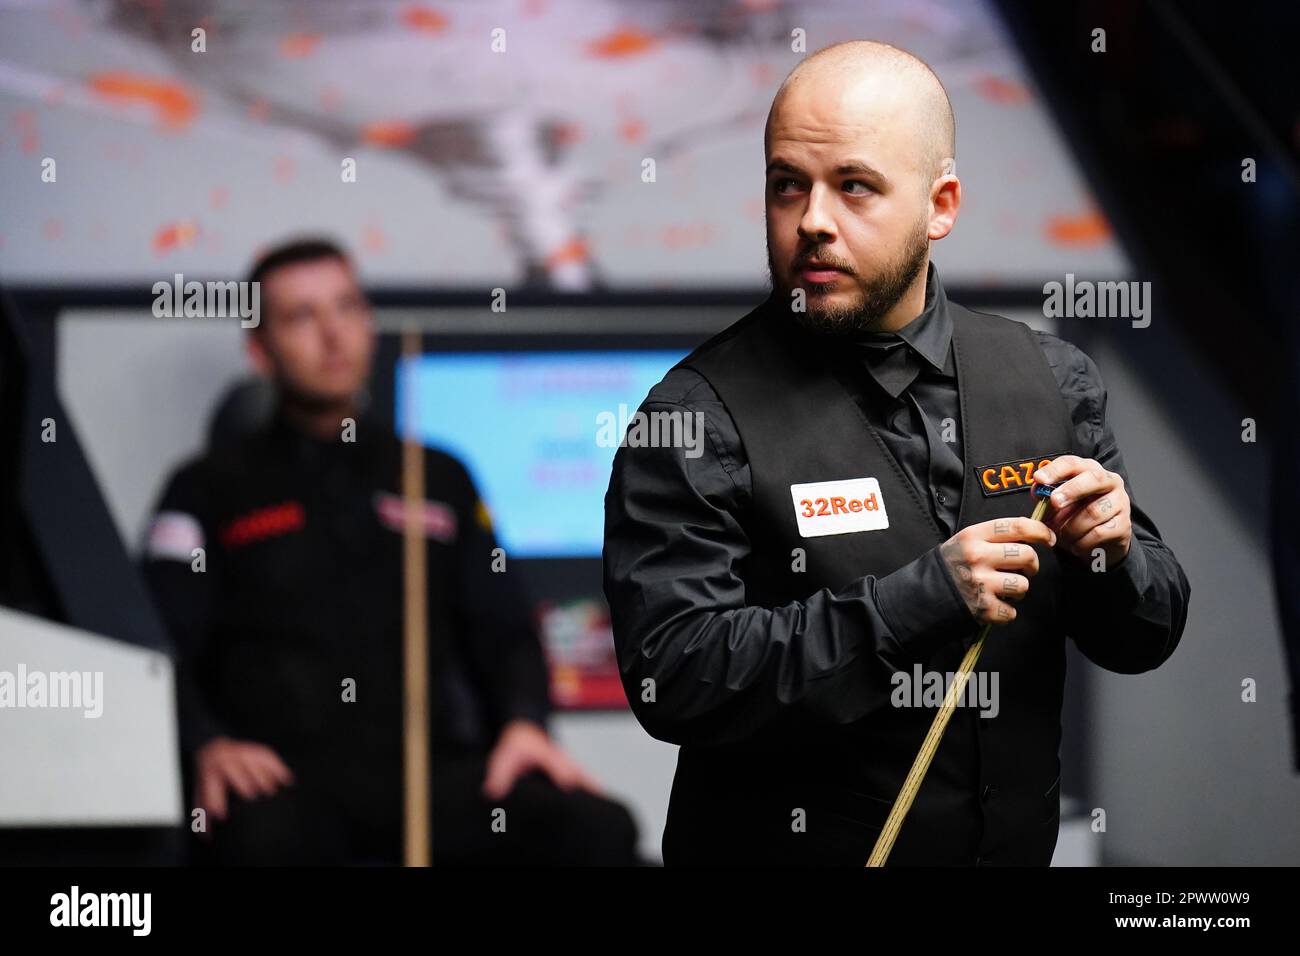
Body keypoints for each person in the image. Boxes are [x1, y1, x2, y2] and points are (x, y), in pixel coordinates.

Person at [603, 40, 1191, 866]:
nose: (812, 219)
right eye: (787, 185)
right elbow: (675, 677)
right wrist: (917, 603)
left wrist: (1118, 557)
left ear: (939, 205)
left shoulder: (1053, 379)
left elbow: (1147, 636)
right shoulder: (695, 415)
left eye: (854, 186)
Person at [144, 238, 638, 865]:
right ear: (259, 351)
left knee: (596, 830)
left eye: (347, 307)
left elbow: (504, 627)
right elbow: (157, 644)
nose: (333, 335)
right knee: (252, 843)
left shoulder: (435, 476)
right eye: (301, 316)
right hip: (286, 781)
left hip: (430, 773)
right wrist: (207, 743)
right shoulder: (206, 488)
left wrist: (524, 723)